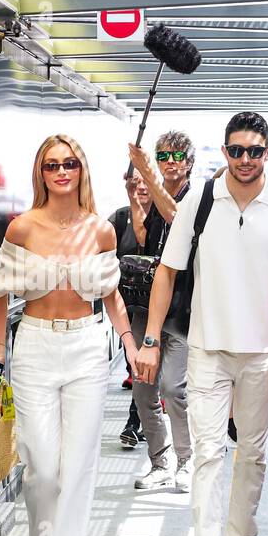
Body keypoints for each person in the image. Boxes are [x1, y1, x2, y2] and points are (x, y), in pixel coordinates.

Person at [135, 111, 268, 536]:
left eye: (253, 151)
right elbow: (167, 272)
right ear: (224, 152)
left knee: (252, 456)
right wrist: (150, 340)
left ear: (267, 154)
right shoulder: (199, 201)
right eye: (235, 150)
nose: (244, 159)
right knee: (209, 454)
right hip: (207, 350)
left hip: (259, 352)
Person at [0, 134, 138, 536]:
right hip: (34, 344)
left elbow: (110, 293)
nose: (61, 171)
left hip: (88, 346)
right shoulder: (23, 228)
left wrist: (131, 342)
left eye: (70, 163)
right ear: (41, 173)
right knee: (42, 465)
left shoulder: (101, 230)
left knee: (79, 465)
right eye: (52, 165)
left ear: (81, 169)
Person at [124, 131, 195, 491]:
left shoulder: (198, 198)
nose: (170, 162)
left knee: (173, 387)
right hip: (145, 306)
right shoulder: (152, 197)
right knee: (143, 388)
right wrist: (135, 198)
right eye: (162, 156)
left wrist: (146, 171)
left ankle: (186, 461)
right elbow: (141, 238)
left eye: (177, 156)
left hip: (182, 310)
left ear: (189, 161)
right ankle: (160, 462)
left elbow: (179, 218)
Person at [111, 172, 150, 450]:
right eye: (136, 182)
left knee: (142, 367)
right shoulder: (119, 218)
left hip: (156, 307)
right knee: (135, 364)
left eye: (146, 180)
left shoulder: (165, 216)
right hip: (126, 306)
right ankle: (143, 421)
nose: (142, 187)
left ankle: (133, 423)